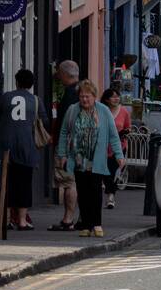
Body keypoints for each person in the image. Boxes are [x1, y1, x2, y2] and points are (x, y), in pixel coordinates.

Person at [56, 80, 125, 238]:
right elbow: (64, 132)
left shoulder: (104, 111)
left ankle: (97, 224)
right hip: (79, 159)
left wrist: (119, 155)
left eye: (87, 96)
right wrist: (63, 155)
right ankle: (86, 225)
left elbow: (113, 135)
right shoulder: (73, 110)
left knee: (95, 192)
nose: (84, 100)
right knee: (83, 192)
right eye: (81, 96)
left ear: (94, 97)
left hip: (97, 158)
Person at [0, 69, 49, 230]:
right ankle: (21, 220)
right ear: (32, 84)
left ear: (16, 82)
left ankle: (5, 219)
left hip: (6, 145)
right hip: (27, 147)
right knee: (25, 184)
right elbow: (45, 121)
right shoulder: (35, 100)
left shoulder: (6, 97)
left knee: (6, 183)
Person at [48, 59, 81, 230]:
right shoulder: (83, 91)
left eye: (59, 73)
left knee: (69, 182)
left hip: (68, 145)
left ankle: (68, 219)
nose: (58, 77)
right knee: (78, 181)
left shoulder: (69, 94)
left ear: (65, 75)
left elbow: (66, 124)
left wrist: (61, 149)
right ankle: (82, 219)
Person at [100, 88, 131, 211]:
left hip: (119, 146)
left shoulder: (124, 111)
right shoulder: (102, 111)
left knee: (112, 171)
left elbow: (128, 127)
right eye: (113, 96)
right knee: (105, 172)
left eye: (117, 96)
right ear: (107, 99)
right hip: (103, 146)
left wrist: (124, 132)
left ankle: (111, 196)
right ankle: (110, 194)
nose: (116, 99)